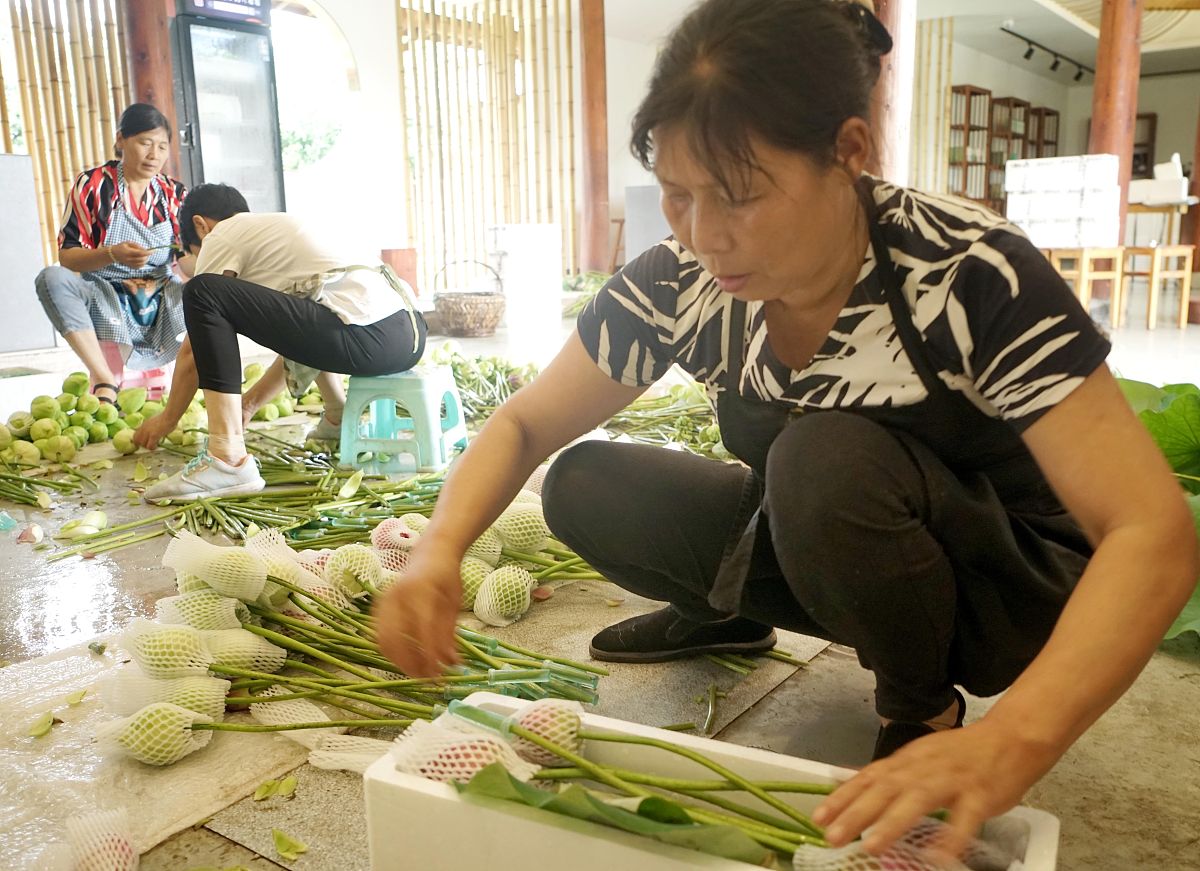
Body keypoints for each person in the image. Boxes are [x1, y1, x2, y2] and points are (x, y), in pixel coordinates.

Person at [374, 0, 1198, 860]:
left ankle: (920, 706)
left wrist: (1015, 740)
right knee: (585, 484)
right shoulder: (682, 278)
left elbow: (1153, 533)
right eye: (678, 196)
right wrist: (439, 548)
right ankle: (723, 613)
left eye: (738, 196)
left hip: (1005, 580)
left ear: (850, 150)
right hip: (839, 541)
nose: (704, 235)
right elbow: (524, 422)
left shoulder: (968, 274)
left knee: (822, 457)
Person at [132, 183, 427, 500]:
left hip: (367, 335)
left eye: (193, 251)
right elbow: (301, 335)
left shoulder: (223, 233)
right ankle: (337, 415)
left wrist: (167, 420)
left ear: (200, 225)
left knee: (202, 292)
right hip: (408, 336)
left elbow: (193, 350)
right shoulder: (279, 232)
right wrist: (249, 404)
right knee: (306, 305)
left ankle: (227, 458)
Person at [34, 103, 189, 406]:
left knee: (206, 290)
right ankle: (104, 378)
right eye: (145, 143)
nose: (154, 154)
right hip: (102, 290)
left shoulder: (174, 194)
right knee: (50, 278)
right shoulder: (92, 185)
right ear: (120, 140)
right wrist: (111, 255)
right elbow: (68, 256)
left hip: (161, 293)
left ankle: (193, 378)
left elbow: (183, 259)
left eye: (161, 146)